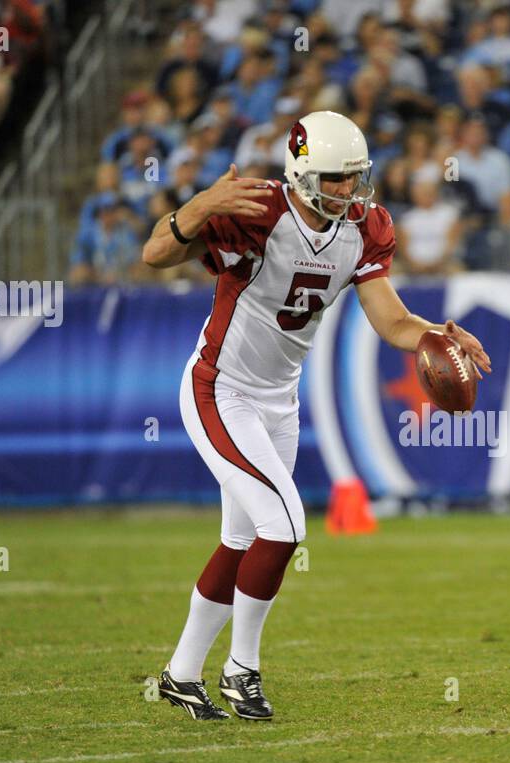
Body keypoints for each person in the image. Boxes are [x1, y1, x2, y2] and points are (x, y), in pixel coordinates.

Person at [141, 111, 491, 721]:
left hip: (281, 399)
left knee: (242, 540)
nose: (348, 189)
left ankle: (181, 674)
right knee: (284, 527)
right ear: (302, 174)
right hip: (221, 390)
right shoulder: (258, 211)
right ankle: (242, 669)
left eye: (355, 176)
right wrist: (198, 207)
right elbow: (154, 253)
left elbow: (392, 321)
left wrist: (438, 335)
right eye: (335, 178)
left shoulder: (364, 227)